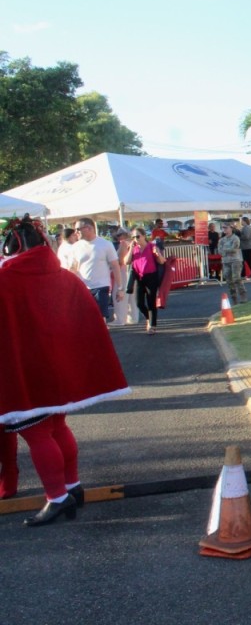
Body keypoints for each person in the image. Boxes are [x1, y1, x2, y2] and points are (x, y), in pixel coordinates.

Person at [1, 215, 130, 526]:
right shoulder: (64, 277)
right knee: (57, 427)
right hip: (58, 366)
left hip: (26, 369)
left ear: (12, 246)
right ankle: (73, 487)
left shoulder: (5, 281)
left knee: (36, 433)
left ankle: (57, 498)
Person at [66, 217, 122, 323]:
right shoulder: (75, 247)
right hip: (83, 288)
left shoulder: (105, 244)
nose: (75, 232)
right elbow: (72, 269)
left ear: (89, 228)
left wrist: (120, 288)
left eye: (78, 229)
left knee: (100, 318)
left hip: (101, 287)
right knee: (85, 319)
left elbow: (115, 266)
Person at [125, 227, 165, 334]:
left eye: (138, 236)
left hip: (151, 277)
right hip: (138, 277)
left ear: (144, 236)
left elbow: (162, 261)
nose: (136, 239)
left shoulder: (152, 246)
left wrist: (158, 254)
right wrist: (130, 249)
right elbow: (126, 262)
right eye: (133, 237)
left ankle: (152, 325)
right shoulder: (134, 248)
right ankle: (148, 318)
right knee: (139, 303)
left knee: (151, 302)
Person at [217, 222, 247, 304]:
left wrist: (225, 250)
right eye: (223, 228)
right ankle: (234, 298)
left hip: (235, 260)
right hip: (226, 261)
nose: (224, 229)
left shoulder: (235, 238)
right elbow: (219, 251)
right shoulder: (221, 240)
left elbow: (234, 249)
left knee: (236, 278)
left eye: (226, 227)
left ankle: (243, 295)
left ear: (231, 228)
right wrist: (227, 250)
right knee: (229, 280)